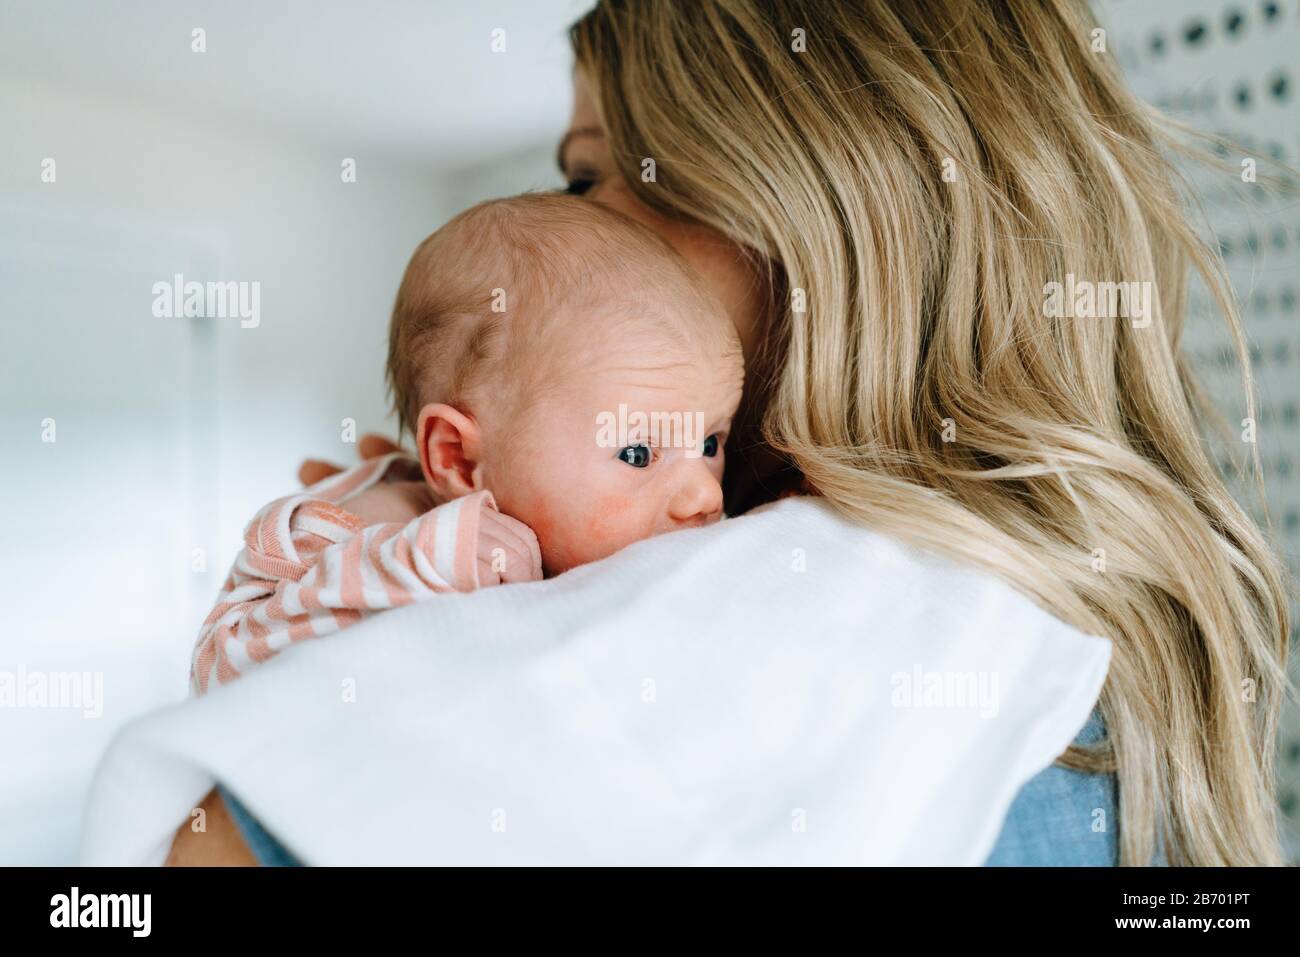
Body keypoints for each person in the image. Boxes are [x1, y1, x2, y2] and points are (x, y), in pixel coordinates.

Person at [166, 0, 1291, 866]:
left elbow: (191, 847)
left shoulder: (799, 610)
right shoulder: (1074, 622)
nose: (573, 232)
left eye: (596, 175)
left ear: (834, 198)